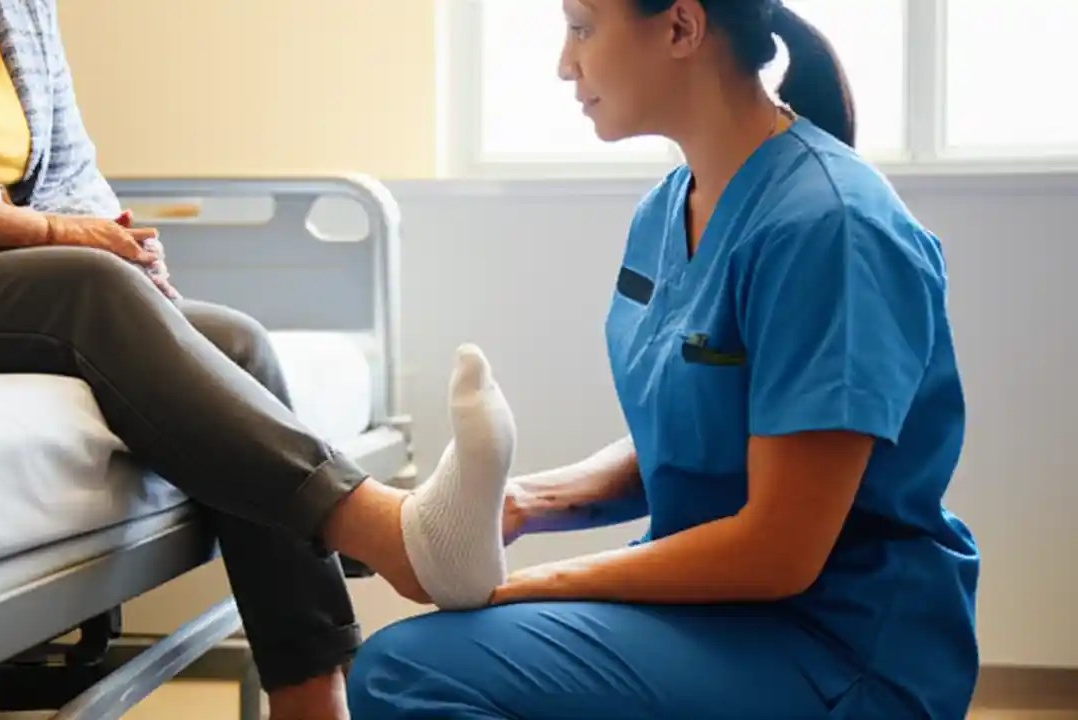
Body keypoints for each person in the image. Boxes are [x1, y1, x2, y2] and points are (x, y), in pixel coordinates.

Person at [0, 3, 523, 719]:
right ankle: (385, 529)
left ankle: (311, 701)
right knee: (89, 287)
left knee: (232, 342)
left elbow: (69, 169)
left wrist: (123, 247)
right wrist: (48, 232)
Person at [347, 0, 979, 718]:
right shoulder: (668, 209)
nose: (564, 64)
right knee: (416, 660)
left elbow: (779, 550)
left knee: (411, 671)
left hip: (837, 647)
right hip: (723, 619)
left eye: (583, 27)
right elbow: (700, 434)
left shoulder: (831, 226)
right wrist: (523, 504)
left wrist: (525, 588)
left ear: (682, 27)